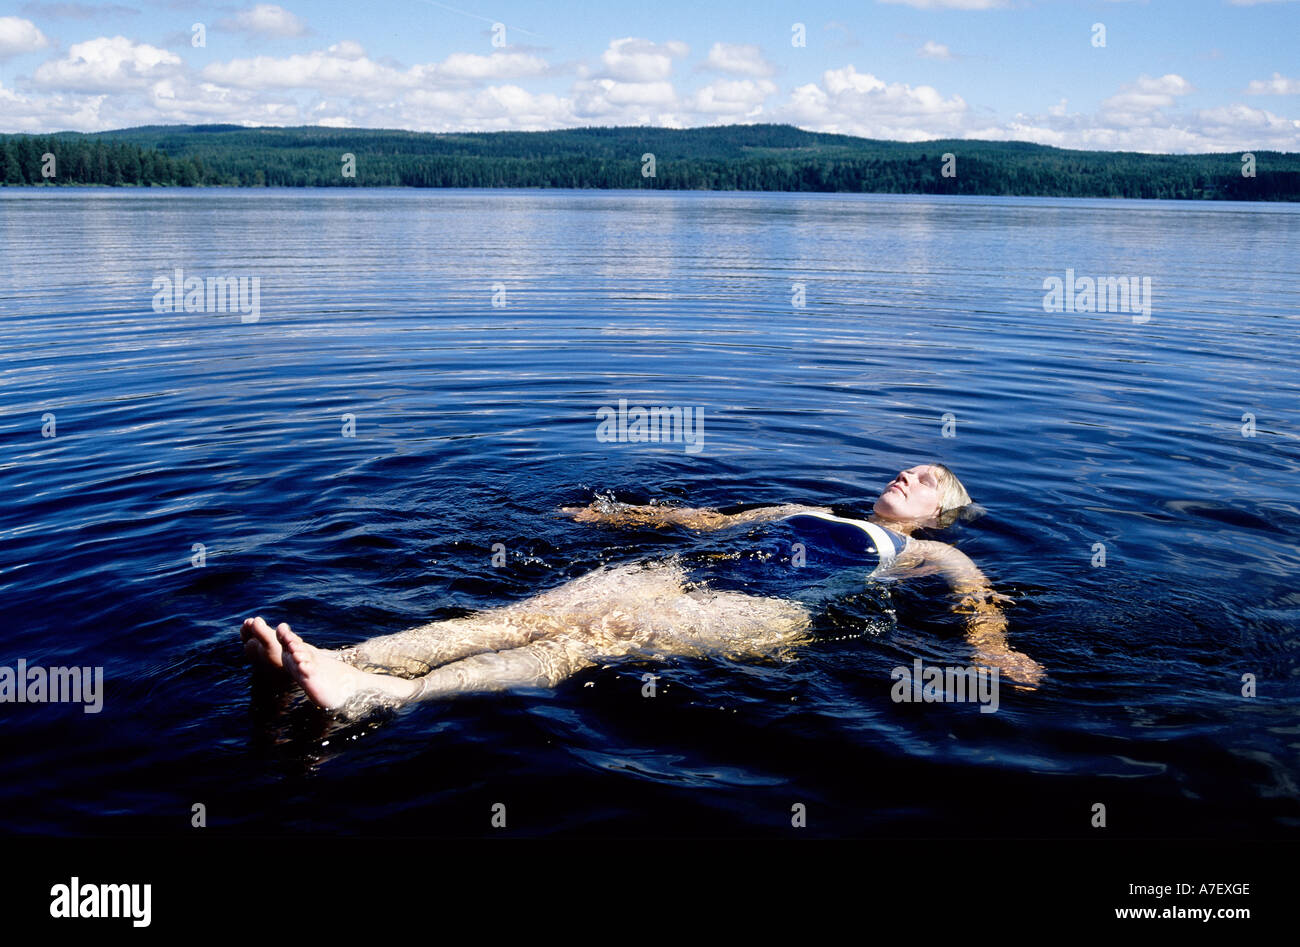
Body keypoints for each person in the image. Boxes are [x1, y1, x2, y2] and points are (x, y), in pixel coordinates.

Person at [241, 463, 1044, 718]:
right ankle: (340, 658)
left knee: (577, 645)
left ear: (942, 511)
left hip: (763, 610)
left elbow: (980, 604)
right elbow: (700, 519)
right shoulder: (803, 506)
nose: (910, 474)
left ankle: (379, 695)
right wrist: (614, 515)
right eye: (908, 467)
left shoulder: (923, 555)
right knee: (521, 613)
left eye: (929, 478)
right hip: (683, 574)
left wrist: (998, 652)